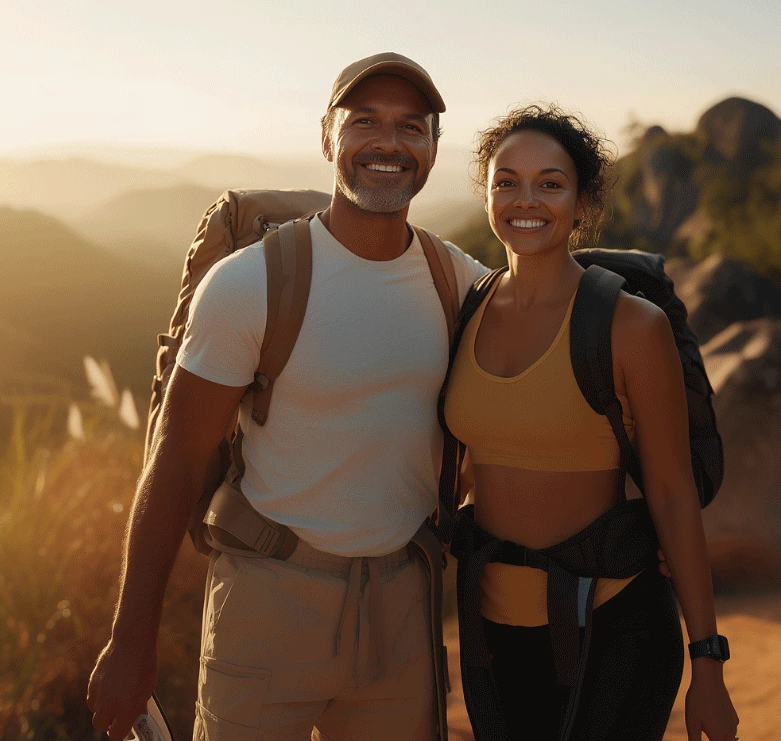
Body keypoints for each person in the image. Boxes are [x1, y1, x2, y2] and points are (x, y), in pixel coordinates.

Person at [86, 53, 486, 741]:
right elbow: (176, 459)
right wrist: (131, 641)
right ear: (328, 138)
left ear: (432, 147)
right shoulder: (252, 284)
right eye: (365, 122)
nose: (389, 143)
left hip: (403, 608)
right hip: (268, 602)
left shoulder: (458, 281)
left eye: (410, 127)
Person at [442, 105, 740, 740]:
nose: (527, 200)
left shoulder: (631, 327)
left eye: (550, 183)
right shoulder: (466, 310)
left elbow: (671, 492)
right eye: (506, 181)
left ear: (582, 202)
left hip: (613, 623)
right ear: (488, 193)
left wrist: (708, 664)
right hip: (492, 633)